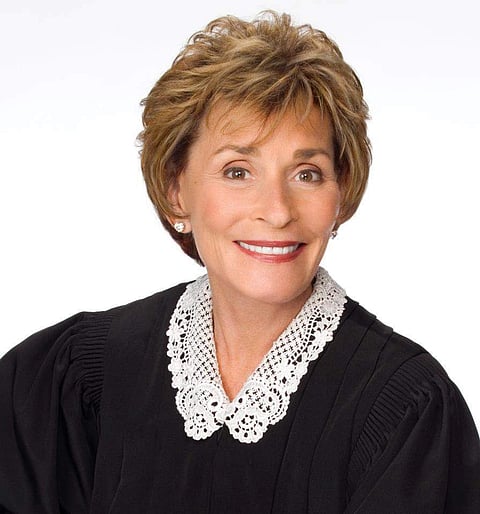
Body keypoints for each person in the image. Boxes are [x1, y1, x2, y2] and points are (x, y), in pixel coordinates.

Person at [0, 10, 479, 514]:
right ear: (176, 191)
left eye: (307, 173)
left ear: (341, 194)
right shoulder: (75, 381)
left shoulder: (406, 412)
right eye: (237, 171)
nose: (277, 211)